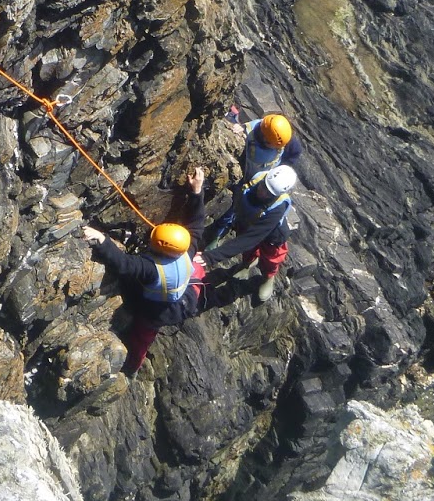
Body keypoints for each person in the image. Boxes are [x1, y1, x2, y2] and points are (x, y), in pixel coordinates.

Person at [82, 167, 208, 374]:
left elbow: (123, 264)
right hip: (187, 297)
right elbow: (196, 225)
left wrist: (101, 239)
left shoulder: (151, 268)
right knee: (197, 268)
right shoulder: (187, 250)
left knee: (142, 337)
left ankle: (133, 365)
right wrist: (197, 191)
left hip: (159, 312)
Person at [202, 164, 297, 303]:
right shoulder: (254, 175)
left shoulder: (277, 209)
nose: (263, 192)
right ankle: (247, 263)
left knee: (271, 259)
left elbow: (250, 239)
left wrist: (211, 257)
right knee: (248, 251)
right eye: (264, 186)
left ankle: (268, 277)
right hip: (247, 221)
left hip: (273, 236)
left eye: (269, 193)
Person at [230, 110, 302, 176]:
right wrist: (240, 127)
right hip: (248, 168)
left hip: (267, 170)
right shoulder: (249, 133)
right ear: (266, 140)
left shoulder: (284, 134)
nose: (279, 148)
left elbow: (296, 152)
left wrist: (280, 169)